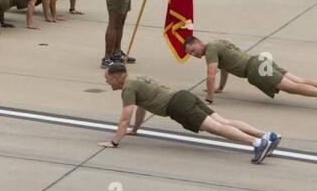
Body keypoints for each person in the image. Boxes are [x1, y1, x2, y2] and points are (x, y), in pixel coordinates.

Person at [99, 64, 280, 162]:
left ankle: (256, 143)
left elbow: (125, 118)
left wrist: (114, 141)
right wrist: (136, 130)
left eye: (108, 79)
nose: (107, 82)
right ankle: (267, 135)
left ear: (117, 77)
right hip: (183, 95)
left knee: (216, 128)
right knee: (224, 121)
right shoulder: (136, 79)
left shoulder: (128, 89)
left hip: (177, 106)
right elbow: (142, 107)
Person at [184, 37, 317, 103]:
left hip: (255, 69)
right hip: (258, 61)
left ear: (197, 43)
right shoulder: (217, 43)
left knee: (292, 87)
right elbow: (225, 67)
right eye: (191, 54)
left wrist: (209, 99)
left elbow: (211, 75)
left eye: (193, 50)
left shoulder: (210, 51)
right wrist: (220, 87)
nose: (194, 55)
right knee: (299, 81)